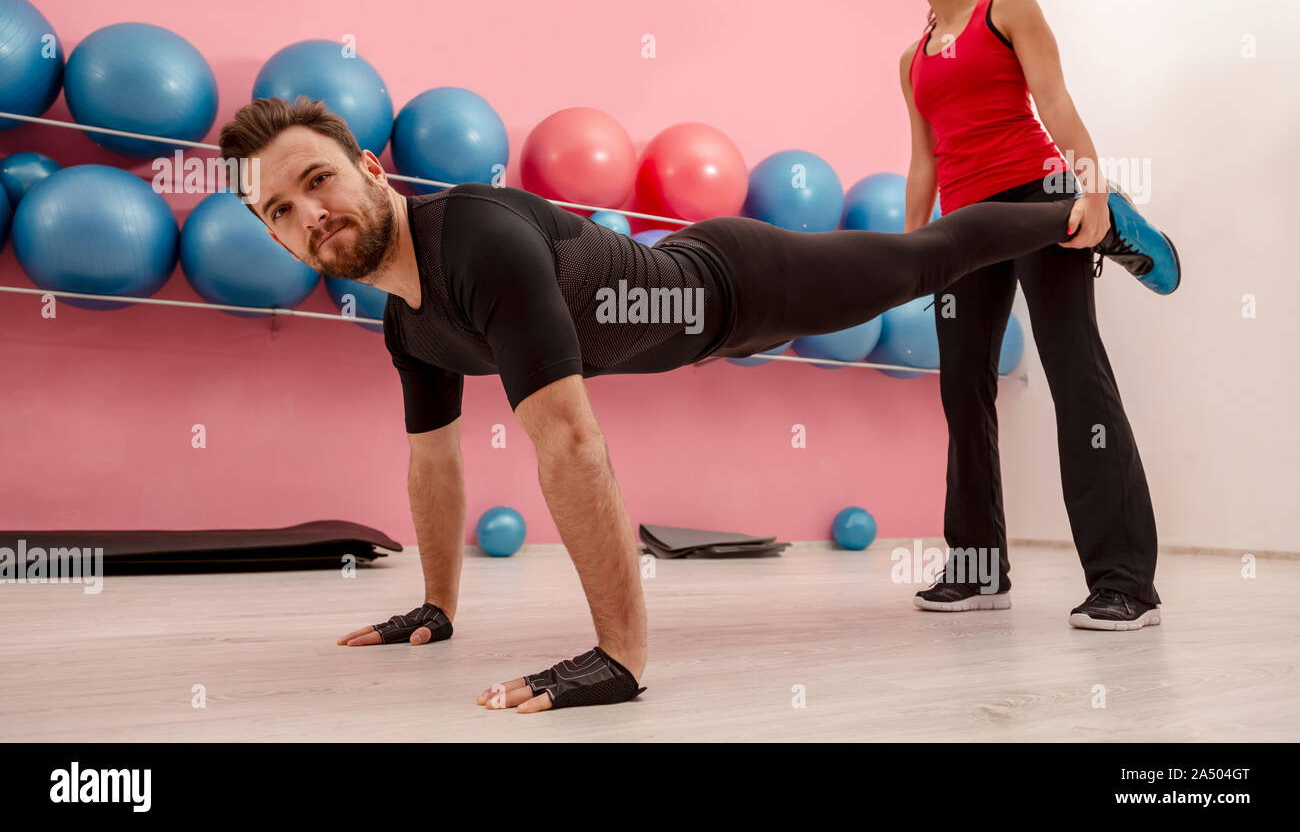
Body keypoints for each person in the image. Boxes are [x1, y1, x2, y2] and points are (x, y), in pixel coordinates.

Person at [218, 95, 1081, 711]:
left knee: (919, 262)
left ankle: (1080, 213)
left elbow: (572, 446)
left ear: (371, 169)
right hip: (695, 312)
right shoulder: (409, 328)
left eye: (319, 180)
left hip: (743, 285)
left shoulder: (472, 240)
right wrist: (437, 607)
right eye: (280, 211)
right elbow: (433, 460)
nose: (310, 215)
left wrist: (619, 660)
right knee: (917, 264)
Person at [895, 0, 1180, 630]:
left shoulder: (1008, 8)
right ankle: (978, 568)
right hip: (963, 229)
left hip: (1038, 198)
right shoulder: (912, 60)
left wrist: (1087, 188)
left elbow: (1053, 100)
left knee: (1075, 376)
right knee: (962, 388)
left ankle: (1125, 584)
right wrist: (908, 248)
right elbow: (924, 158)